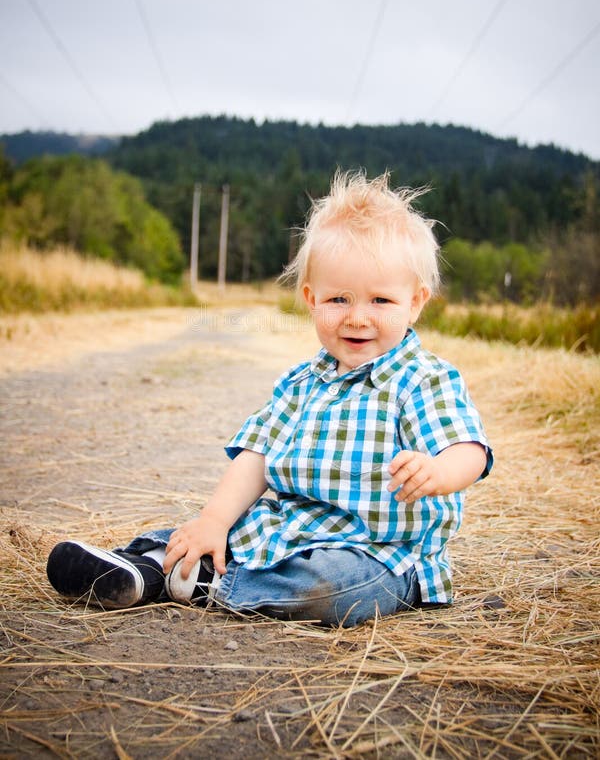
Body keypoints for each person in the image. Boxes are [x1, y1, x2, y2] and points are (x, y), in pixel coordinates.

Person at [47, 171, 493, 627]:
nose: (357, 317)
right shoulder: (300, 384)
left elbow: (469, 450)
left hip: (382, 555)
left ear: (415, 302)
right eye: (338, 300)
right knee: (226, 532)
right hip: (289, 530)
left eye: (380, 301)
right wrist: (214, 519)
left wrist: (439, 471)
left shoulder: (423, 380)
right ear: (311, 299)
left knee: (336, 588)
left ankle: (204, 582)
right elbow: (257, 457)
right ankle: (147, 565)